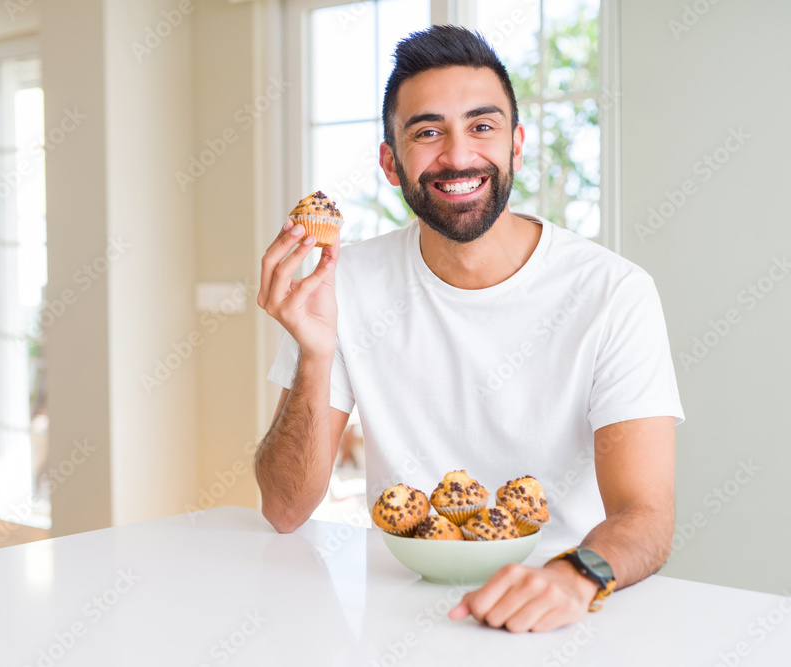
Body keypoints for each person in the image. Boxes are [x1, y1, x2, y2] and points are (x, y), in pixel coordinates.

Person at [255, 24, 683, 633]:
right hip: (398, 607)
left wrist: (572, 576)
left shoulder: (614, 293)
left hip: (563, 604)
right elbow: (284, 509)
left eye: (482, 126)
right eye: (428, 132)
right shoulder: (343, 284)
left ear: (516, 144)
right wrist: (314, 354)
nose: (458, 155)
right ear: (390, 163)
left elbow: (647, 515)